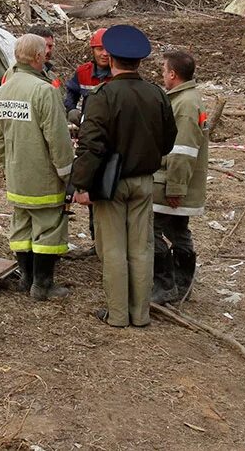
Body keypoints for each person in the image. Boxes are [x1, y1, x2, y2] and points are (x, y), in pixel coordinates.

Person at [70, 25, 176, 328]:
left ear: (112, 58)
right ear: (139, 61)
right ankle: (140, 314)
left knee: (114, 250)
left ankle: (117, 315)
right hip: (144, 181)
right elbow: (167, 141)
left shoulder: (104, 95)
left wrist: (81, 184)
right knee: (142, 249)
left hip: (110, 183)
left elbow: (91, 145)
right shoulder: (156, 93)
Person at [0, 34, 76, 301]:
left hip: (17, 172)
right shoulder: (44, 91)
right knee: (48, 227)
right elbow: (58, 138)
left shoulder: (4, 89)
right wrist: (67, 173)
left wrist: (6, 165)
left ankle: (25, 278)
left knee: (21, 225)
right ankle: (42, 286)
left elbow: (0, 135)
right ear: (39, 57)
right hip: (43, 174)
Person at [151, 50, 209, 305]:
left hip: (171, 182)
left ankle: (165, 284)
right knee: (177, 230)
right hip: (180, 181)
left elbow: (182, 150)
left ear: (173, 74)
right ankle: (182, 280)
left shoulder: (184, 104)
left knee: (149, 231)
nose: (162, 75)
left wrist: (174, 187)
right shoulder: (187, 99)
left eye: (163, 70)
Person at [63, 27, 111, 116]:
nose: (105, 54)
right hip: (89, 124)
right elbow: (72, 92)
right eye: (100, 49)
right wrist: (71, 110)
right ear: (93, 50)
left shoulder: (120, 74)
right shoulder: (83, 72)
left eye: (108, 50)